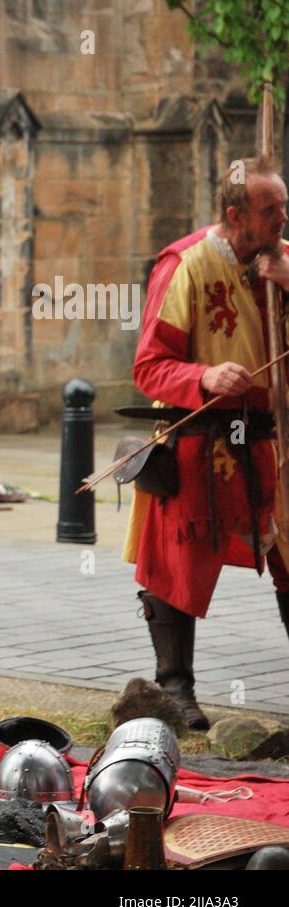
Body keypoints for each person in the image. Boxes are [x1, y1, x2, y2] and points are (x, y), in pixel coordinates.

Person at [126, 155, 289, 731]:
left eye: (284, 207)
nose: (282, 219)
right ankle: (174, 690)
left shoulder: (285, 262)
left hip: (275, 440)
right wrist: (204, 377)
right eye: (270, 210)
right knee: (178, 560)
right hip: (204, 437)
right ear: (233, 214)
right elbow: (148, 367)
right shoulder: (185, 265)